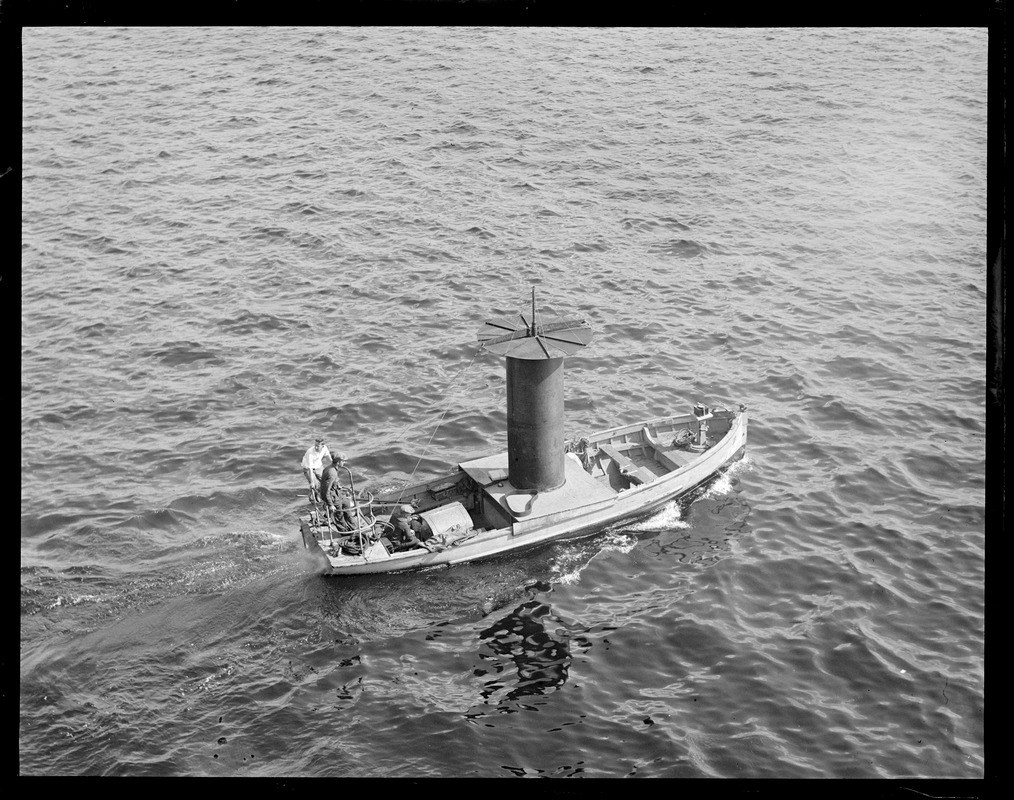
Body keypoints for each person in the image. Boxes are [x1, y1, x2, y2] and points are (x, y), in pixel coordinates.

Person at [320, 453, 356, 529]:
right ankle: (344, 532)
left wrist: (337, 486)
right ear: (338, 462)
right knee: (339, 514)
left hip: (336, 492)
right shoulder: (332, 473)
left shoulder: (331, 468)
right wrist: (330, 505)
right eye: (343, 461)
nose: (344, 463)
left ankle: (353, 527)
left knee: (346, 503)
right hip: (331, 495)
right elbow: (326, 491)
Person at [301, 438, 332, 502]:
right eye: (315, 445)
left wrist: (334, 464)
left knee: (324, 481)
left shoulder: (325, 448)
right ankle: (312, 498)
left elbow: (328, 457)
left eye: (318, 446)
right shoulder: (310, 452)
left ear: (322, 446)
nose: (316, 447)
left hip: (318, 466)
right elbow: (310, 468)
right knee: (315, 484)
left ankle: (320, 495)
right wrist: (312, 482)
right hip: (308, 468)